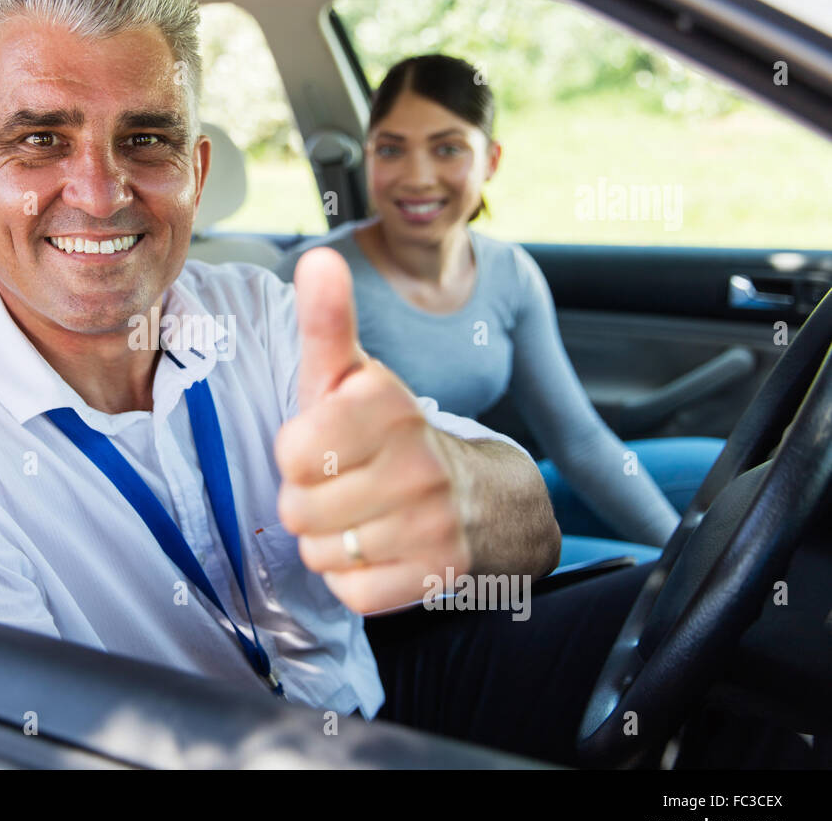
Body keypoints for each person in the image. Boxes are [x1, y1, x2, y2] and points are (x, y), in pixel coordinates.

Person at [0, 0, 797, 766]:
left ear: (195, 168)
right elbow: (37, 743)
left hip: (366, 699)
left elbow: (527, 522)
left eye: (144, 140)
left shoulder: (257, 309)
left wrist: (452, 489)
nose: (100, 191)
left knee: (739, 624)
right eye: (40, 140)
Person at [276, 55, 724, 562]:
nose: (417, 177)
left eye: (448, 149)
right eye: (391, 149)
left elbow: (577, 441)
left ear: (491, 161)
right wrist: (669, 573)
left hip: (484, 494)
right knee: (642, 579)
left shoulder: (509, 271)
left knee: (717, 472)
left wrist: (680, 555)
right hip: (398, 540)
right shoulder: (314, 279)